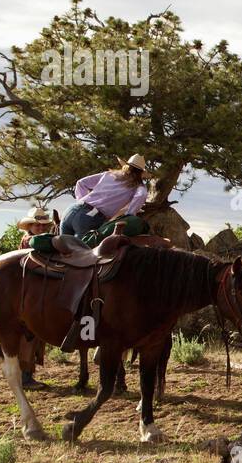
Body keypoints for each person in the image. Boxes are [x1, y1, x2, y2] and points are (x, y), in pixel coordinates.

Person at [15, 206, 58, 389]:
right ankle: (25, 377)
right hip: (30, 292)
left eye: (42, 226)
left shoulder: (30, 240)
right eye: (36, 225)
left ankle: (26, 375)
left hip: (30, 290)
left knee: (30, 336)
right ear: (30, 226)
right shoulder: (31, 241)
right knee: (28, 335)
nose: (40, 228)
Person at [61, 154, 150, 239]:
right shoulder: (139, 186)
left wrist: (82, 204)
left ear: (125, 166)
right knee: (83, 251)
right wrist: (130, 214)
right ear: (141, 173)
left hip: (71, 210)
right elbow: (141, 195)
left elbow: (81, 183)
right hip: (90, 218)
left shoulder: (109, 174)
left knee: (62, 249)